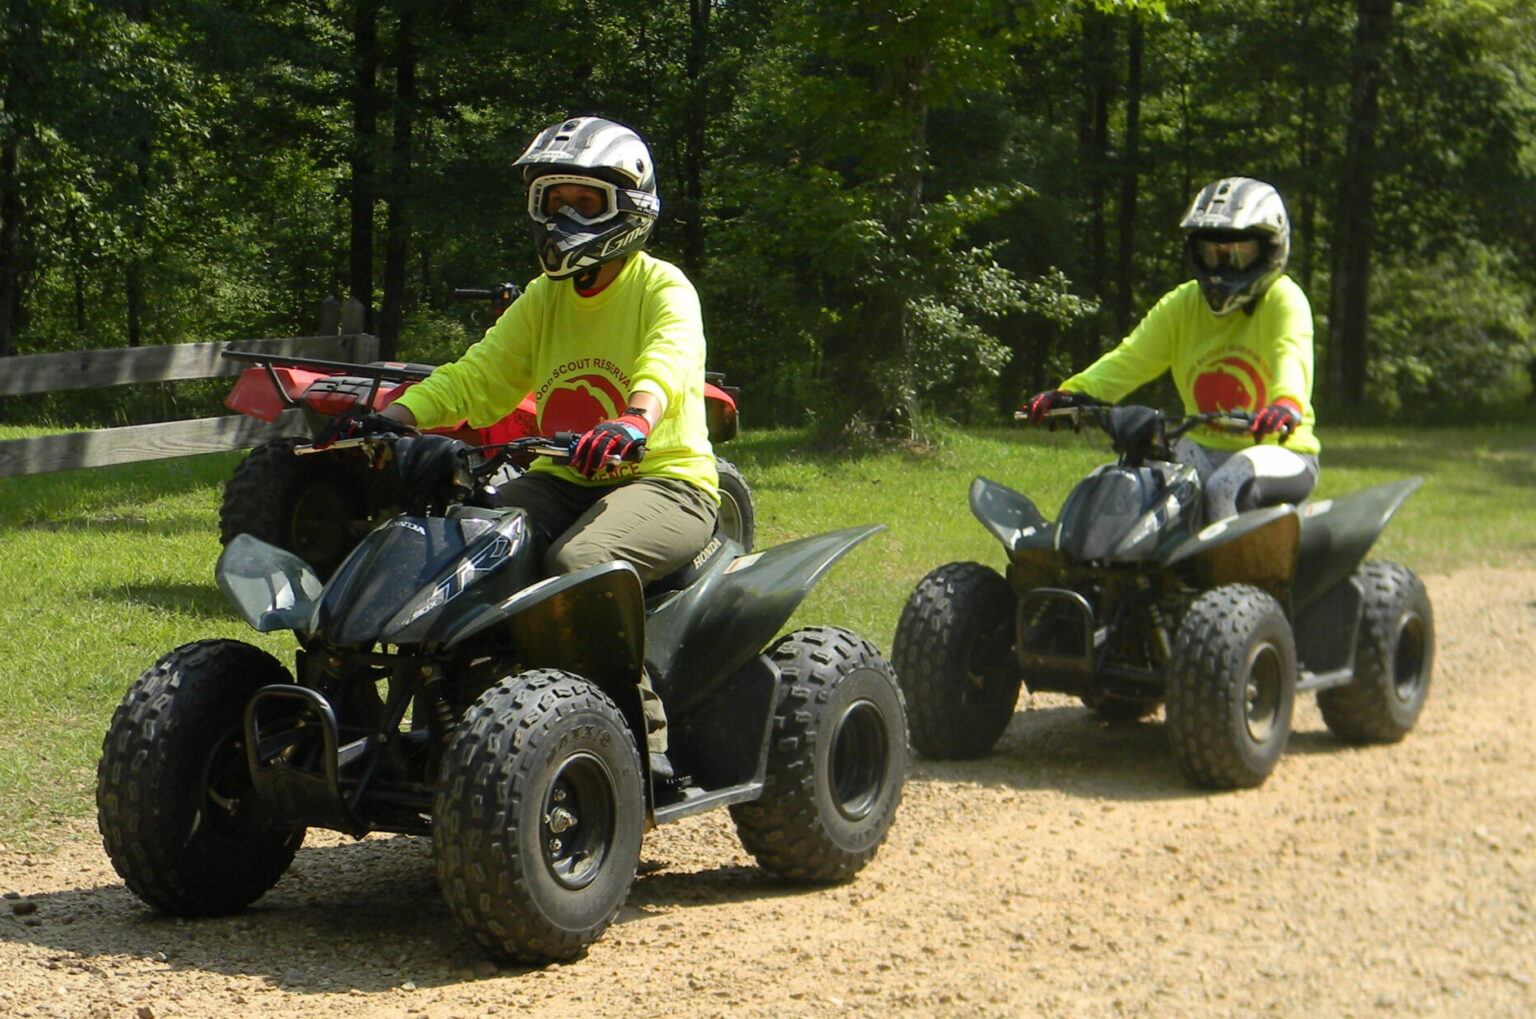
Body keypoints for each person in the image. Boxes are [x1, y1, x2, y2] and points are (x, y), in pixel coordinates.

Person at [358, 116, 720, 775]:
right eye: (554, 202)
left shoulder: (661, 285)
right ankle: (451, 719)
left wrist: (634, 420)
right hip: (566, 478)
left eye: (586, 202)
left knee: (583, 558)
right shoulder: (545, 298)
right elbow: (479, 376)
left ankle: (637, 734)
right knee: (464, 541)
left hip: (667, 481)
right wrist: (397, 416)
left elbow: (668, 360)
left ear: (630, 208)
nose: (565, 218)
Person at [1024, 176, 1319, 520]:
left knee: (1225, 487)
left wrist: (1285, 404)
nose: (1221, 269)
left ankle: (1246, 558)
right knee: (1133, 481)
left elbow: (1291, 353)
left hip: (1281, 450)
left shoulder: (1283, 299)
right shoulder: (1183, 304)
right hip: (1201, 448)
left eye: (1238, 255)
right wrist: (1071, 393)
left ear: (1271, 250)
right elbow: (1130, 358)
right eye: (1211, 254)